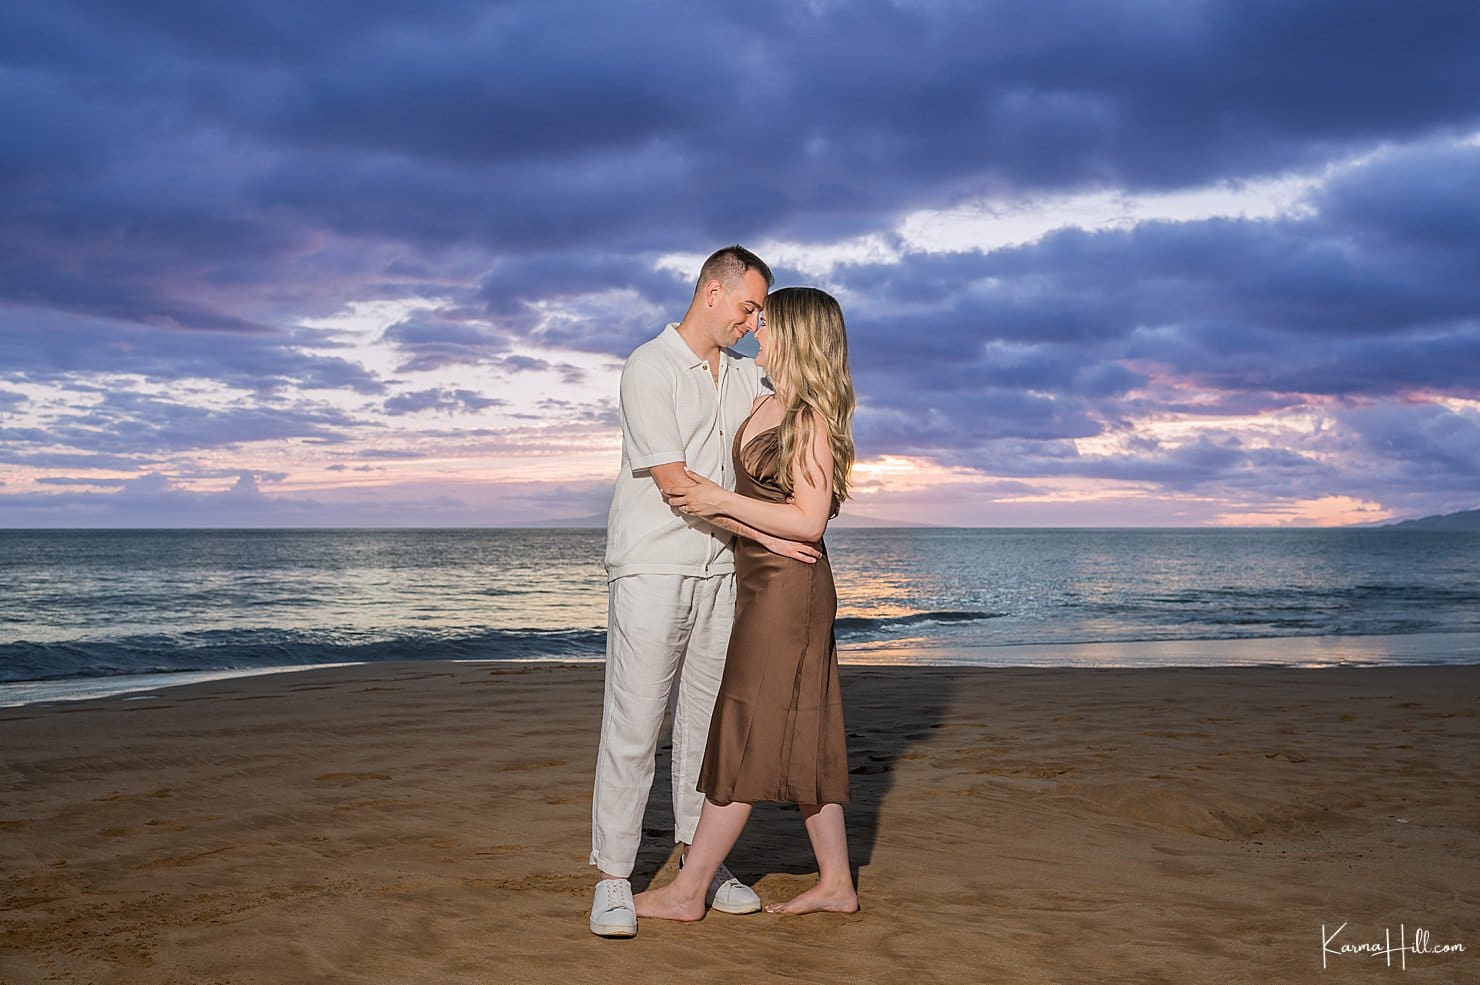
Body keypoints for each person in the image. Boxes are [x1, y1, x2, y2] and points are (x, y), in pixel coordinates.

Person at [590, 247, 824, 938]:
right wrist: (779, 538)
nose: (755, 322)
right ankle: (613, 875)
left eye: (761, 312)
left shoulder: (751, 375)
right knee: (635, 724)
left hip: (725, 570)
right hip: (653, 566)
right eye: (749, 306)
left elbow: (792, 422)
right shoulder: (649, 366)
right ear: (713, 292)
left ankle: (701, 861)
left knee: (706, 728)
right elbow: (675, 484)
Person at [636, 285, 859, 920]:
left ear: (798, 336)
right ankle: (837, 883)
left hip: (792, 594)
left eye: (768, 320)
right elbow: (767, 514)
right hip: (763, 581)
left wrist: (719, 501)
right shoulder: (764, 402)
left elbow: (810, 521)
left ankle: (687, 891)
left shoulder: (810, 417)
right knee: (802, 737)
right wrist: (736, 517)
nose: (756, 327)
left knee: (741, 729)